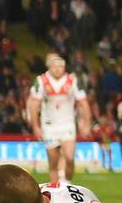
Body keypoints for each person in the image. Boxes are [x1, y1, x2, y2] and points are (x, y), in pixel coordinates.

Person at [27, 53, 92, 183]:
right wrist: (35, 126)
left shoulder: (72, 80)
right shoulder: (41, 81)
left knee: (69, 158)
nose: (57, 69)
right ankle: (56, 192)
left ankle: (67, 182)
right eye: (54, 66)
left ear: (64, 67)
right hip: (49, 127)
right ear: (49, 67)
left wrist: (87, 125)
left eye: (60, 66)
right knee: (53, 162)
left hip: (67, 125)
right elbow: (34, 104)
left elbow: (83, 103)